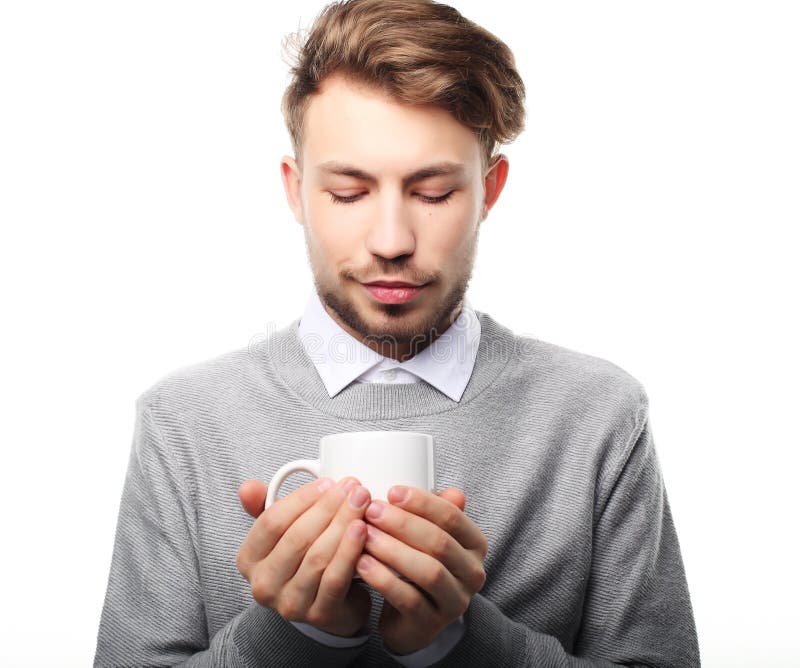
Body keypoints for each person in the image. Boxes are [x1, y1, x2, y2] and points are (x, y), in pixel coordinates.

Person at [94, 0, 700, 665]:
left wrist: (468, 639)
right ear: (295, 192)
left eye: (434, 193)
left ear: (490, 189)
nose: (391, 241)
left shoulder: (598, 417)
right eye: (349, 193)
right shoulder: (183, 423)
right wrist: (292, 636)